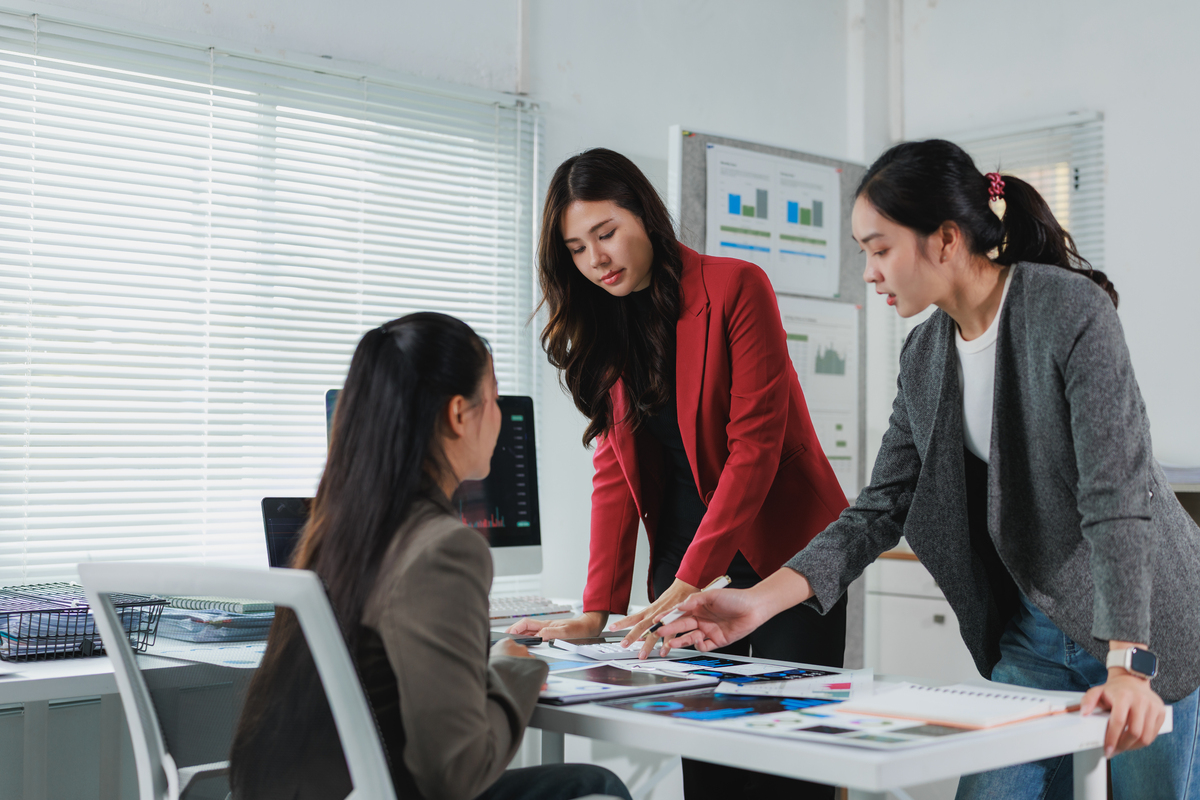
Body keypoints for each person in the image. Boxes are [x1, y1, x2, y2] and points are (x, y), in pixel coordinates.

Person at [656, 139, 1200, 800]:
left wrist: (1128, 665)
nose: (869, 273)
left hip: (1150, 628)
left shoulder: (1069, 311)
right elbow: (876, 510)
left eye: (880, 249)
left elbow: (1115, 499)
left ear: (944, 240)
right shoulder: (925, 354)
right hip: (1038, 631)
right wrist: (754, 603)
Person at [509, 148, 850, 800]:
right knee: (710, 761)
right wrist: (596, 609)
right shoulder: (605, 327)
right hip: (684, 562)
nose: (596, 260)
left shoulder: (734, 287)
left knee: (789, 766)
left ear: (645, 213)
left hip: (786, 558)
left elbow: (756, 447)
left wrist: (695, 576)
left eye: (606, 233)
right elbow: (613, 470)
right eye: (577, 249)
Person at [230, 312, 631, 800]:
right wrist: (513, 663)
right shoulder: (443, 548)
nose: (499, 415)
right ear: (459, 414)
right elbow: (456, 773)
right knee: (596, 786)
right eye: (495, 398)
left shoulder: (330, 532)